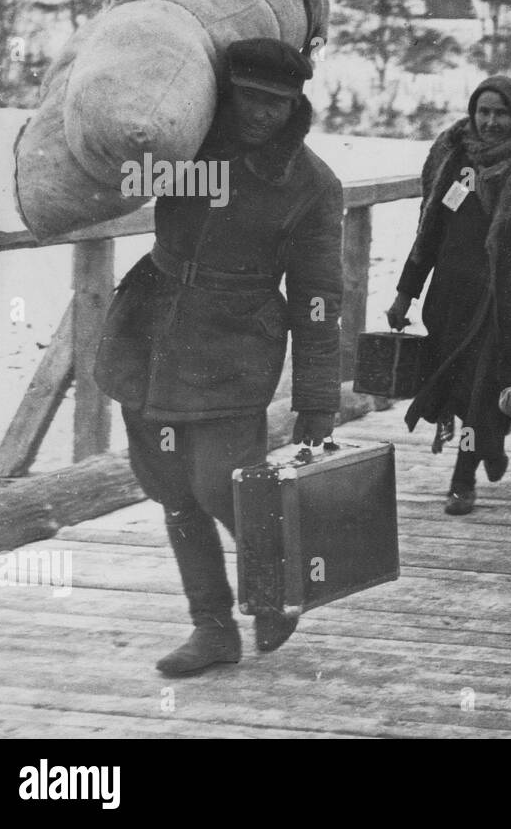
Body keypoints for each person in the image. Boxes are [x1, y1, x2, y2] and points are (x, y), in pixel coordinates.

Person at [94, 38, 344, 676]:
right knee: (171, 490)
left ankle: (276, 585)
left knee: (219, 483)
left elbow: (317, 300)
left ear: (297, 104)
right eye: (251, 98)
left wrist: (317, 401)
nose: (262, 115)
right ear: (228, 93)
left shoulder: (311, 186)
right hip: (150, 329)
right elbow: (120, 177)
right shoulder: (187, 148)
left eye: (278, 104)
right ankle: (211, 627)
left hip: (233, 347)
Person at [388, 76, 511, 515]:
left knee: (485, 385)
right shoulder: (458, 163)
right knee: (464, 387)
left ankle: (462, 478)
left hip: (510, 300)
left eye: (501, 113)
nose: (490, 122)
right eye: (483, 112)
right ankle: (491, 442)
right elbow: (430, 232)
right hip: (453, 296)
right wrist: (405, 294)